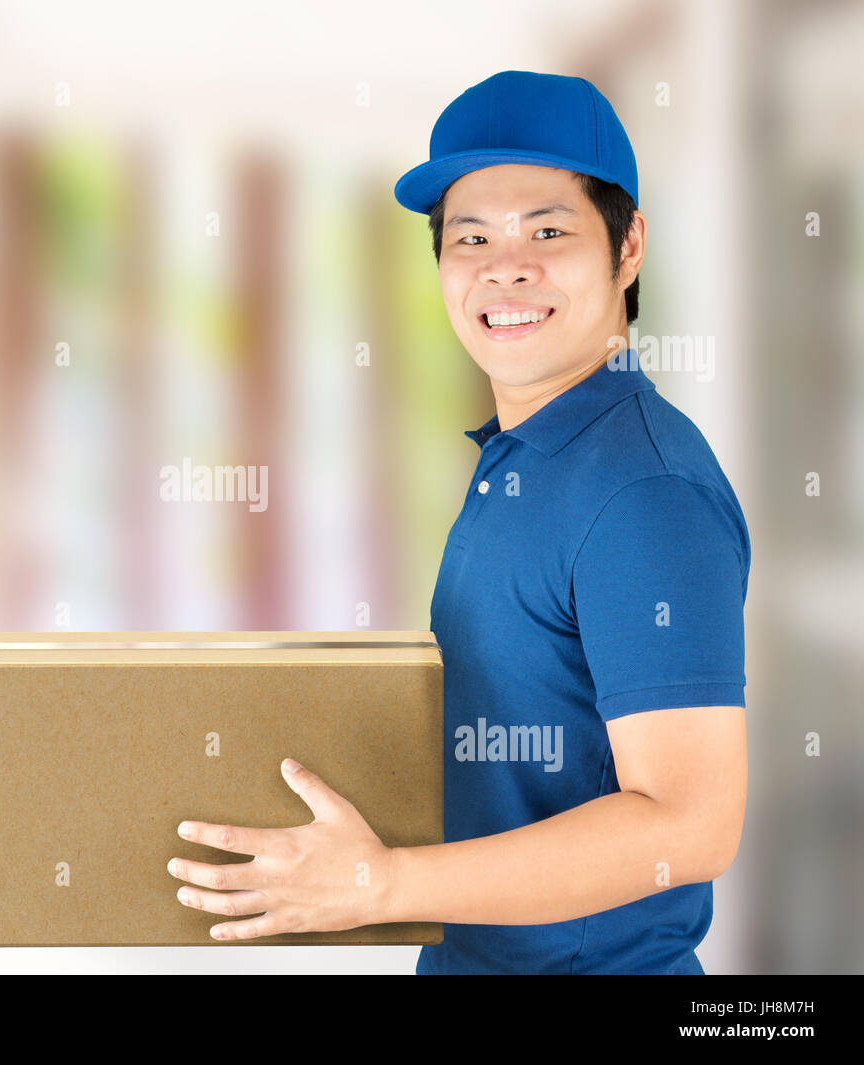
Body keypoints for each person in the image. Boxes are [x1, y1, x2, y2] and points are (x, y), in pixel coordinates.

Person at [168, 70, 749, 975]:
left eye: (548, 232)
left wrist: (380, 886)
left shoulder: (644, 493)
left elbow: (691, 821)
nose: (504, 266)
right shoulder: (525, 454)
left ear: (628, 246)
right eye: (470, 237)